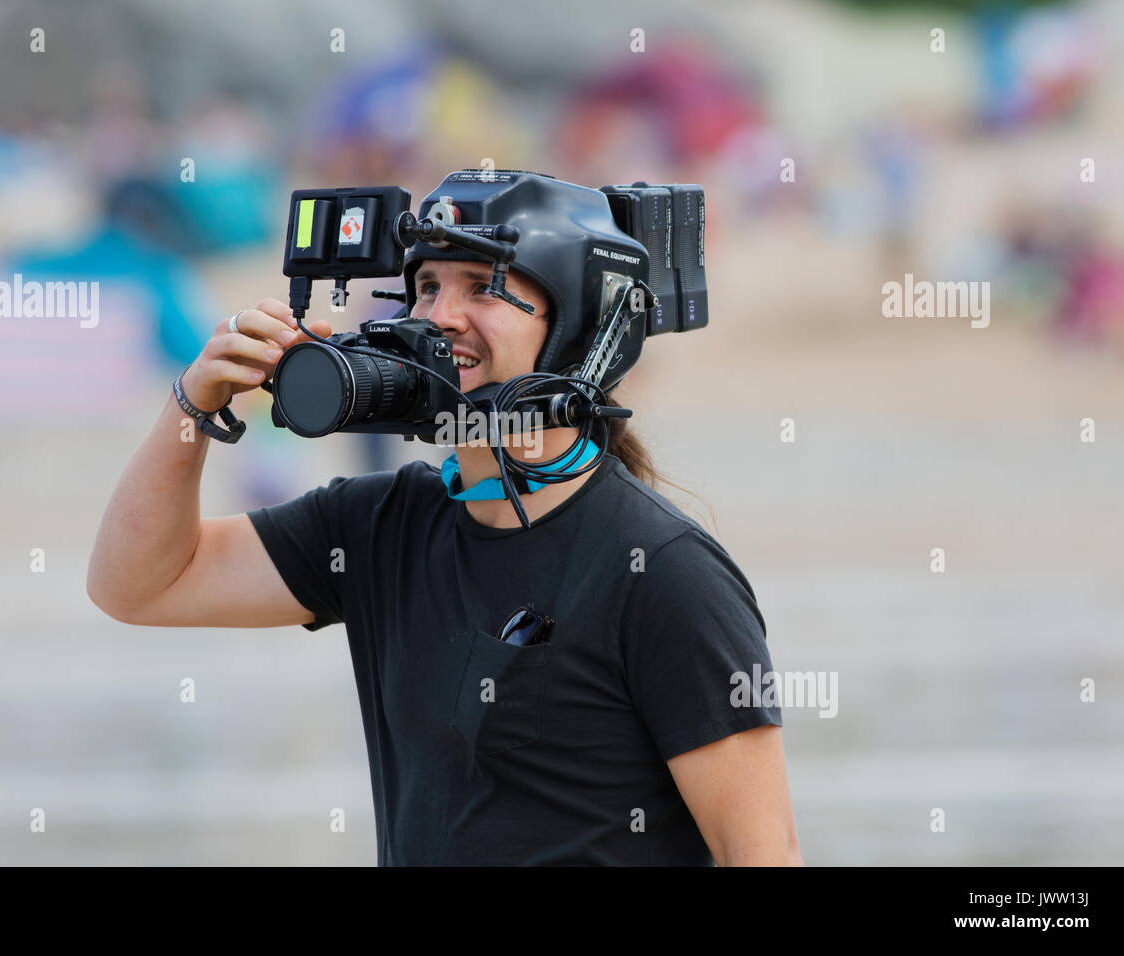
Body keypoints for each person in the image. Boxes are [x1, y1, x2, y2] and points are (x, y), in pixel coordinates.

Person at [87, 174, 803, 867]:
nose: (440, 317)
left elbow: (763, 852)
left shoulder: (661, 569)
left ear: (574, 327)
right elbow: (140, 585)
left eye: (484, 287)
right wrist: (193, 403)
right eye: (427, 286)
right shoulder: (378, 527)